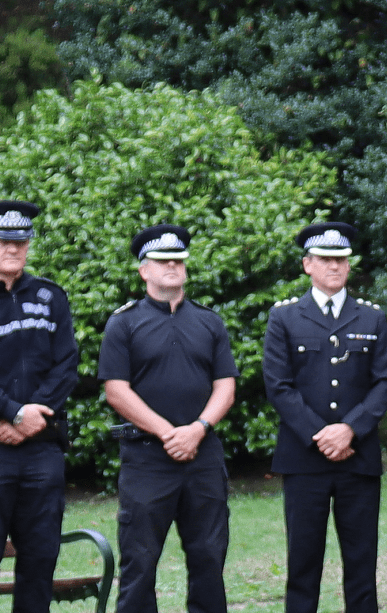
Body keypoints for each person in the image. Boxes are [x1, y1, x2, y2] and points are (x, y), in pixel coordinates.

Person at [97, 224, 239, 613]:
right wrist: (167, 433)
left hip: (203, 457)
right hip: (147, 460)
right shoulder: (123, 323)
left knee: (209, 558)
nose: (172, 266)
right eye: (162, 261)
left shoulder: (210, 322)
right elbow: (116, 390)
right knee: (140, 563)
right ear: (144, 270)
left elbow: (225, 385)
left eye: (178, 260)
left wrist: (197, 429)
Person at [0, 200, 78, 612]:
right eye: (3, 242)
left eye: (21, 242)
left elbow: (66, 365)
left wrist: (31, 417)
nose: (13, 250)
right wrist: (12, 412)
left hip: (41, 450)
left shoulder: (50, 297)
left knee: (40, 559)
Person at [262, 221, 387, 613]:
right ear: (308, 265)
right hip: (304, 459)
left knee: (361, 561)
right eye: (325, 259)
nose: (334, 266)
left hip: (358, 457)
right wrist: (322, 434)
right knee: (303, 562)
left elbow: (385, 382)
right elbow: (278, 385)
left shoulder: (371, 318)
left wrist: (349, 430)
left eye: (341, 259)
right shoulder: (284, 317)